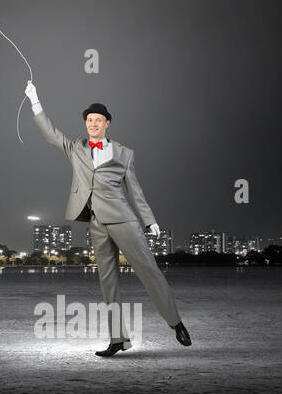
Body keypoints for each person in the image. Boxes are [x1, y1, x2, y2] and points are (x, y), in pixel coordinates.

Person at [25, 81, 192, 357]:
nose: (92, 124)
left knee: (148, 271)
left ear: (107, 123)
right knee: (108, 282)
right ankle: (117, 340)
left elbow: (135, 190)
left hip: (123, 220)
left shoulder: (125, 154)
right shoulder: (75, 148)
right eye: (89, 120)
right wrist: (35, 101)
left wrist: (149, 220)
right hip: (96, 224)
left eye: (97, 120)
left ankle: (176, 323)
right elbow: (51, 135)